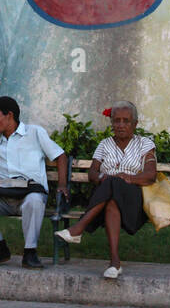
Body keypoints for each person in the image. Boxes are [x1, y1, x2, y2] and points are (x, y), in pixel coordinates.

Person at [0, 96, 69, 270]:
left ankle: (30, 252)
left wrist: (62, 185)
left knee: (35, 200)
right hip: (2, 197)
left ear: (9, 115)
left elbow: (60, 156)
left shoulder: (34, 133)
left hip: (29, 195)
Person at [55, 101, 155, 279]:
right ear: (112, 123)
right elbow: (93, 173)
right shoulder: (105, 144)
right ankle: (114, 263)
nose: (121, 125)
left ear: (135, 124)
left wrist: (128, 178)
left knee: (114, 182)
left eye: (126, 121)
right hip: (105, 201)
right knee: (111, 195)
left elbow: (150, 175)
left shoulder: (144, 144)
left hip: (133, 201)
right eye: (117, 121)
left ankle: (79, 228)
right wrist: (103, 177)